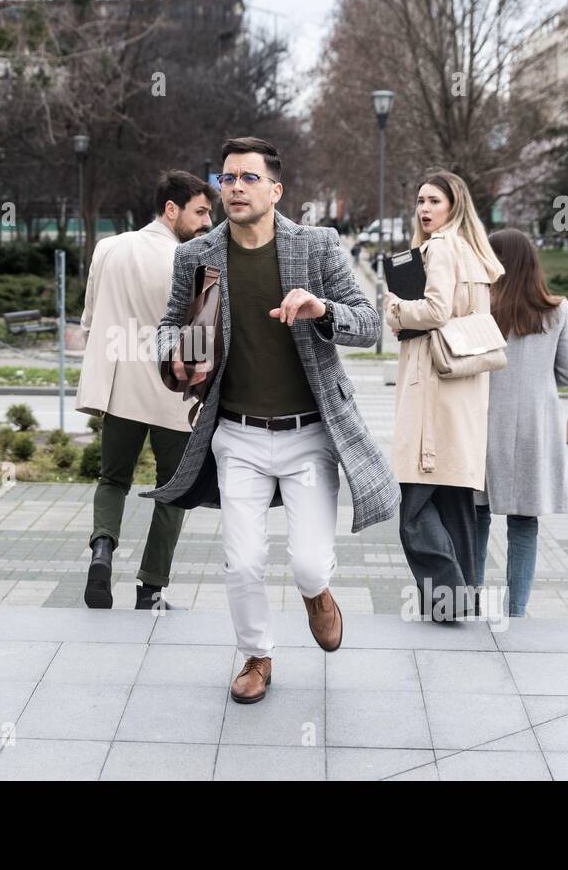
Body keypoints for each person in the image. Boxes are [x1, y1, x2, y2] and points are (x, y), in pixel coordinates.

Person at [142, 137, 400, 704]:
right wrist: (173, 354)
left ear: (276, 189)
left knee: (308, 563)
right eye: (227, 178)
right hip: (236, 435)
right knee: (243, 562)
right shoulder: (197, 256)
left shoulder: (317, 246)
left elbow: (368, 324)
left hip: (310, 434)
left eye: (248, 178)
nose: (234, 187)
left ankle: (317, 594)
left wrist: (323, 310)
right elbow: (167, 324)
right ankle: (257, 655)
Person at [77, 170, 215, 610]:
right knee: (173, 491)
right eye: (200, 211)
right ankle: (151, 588)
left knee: (112, 479)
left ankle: (102, 551)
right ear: (170, 209)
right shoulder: (195, 261)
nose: (207, 221)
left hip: (120, 389)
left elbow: (88, 321)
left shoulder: (109, 248)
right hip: (173, 390)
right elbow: (197, 333)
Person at [384, 172, 505, 621]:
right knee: (454, 502)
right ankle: (467, 595)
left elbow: (434, 310)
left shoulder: (439, 248)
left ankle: (446, 597)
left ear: (454, 205)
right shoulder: (476, 252)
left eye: (434, 200)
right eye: (420, 201)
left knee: (413, 506)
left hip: (431, 390)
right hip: (464, 391)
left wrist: (394, 308)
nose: (424, 209)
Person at [473, 228, 568, 616]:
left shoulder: (478, 308)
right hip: (536, 430)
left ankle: (470, 602)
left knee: (477, 517)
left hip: (485, 426)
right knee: (523, 522)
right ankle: (516, 610)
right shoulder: (556, 309)